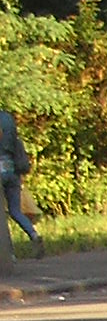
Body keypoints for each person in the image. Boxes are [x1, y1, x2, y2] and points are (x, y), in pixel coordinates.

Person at [0, 102, 43, 258]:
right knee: (15, 211)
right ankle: (33, 234)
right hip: (13, 171)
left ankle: (8, 254)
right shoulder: (8, 119)